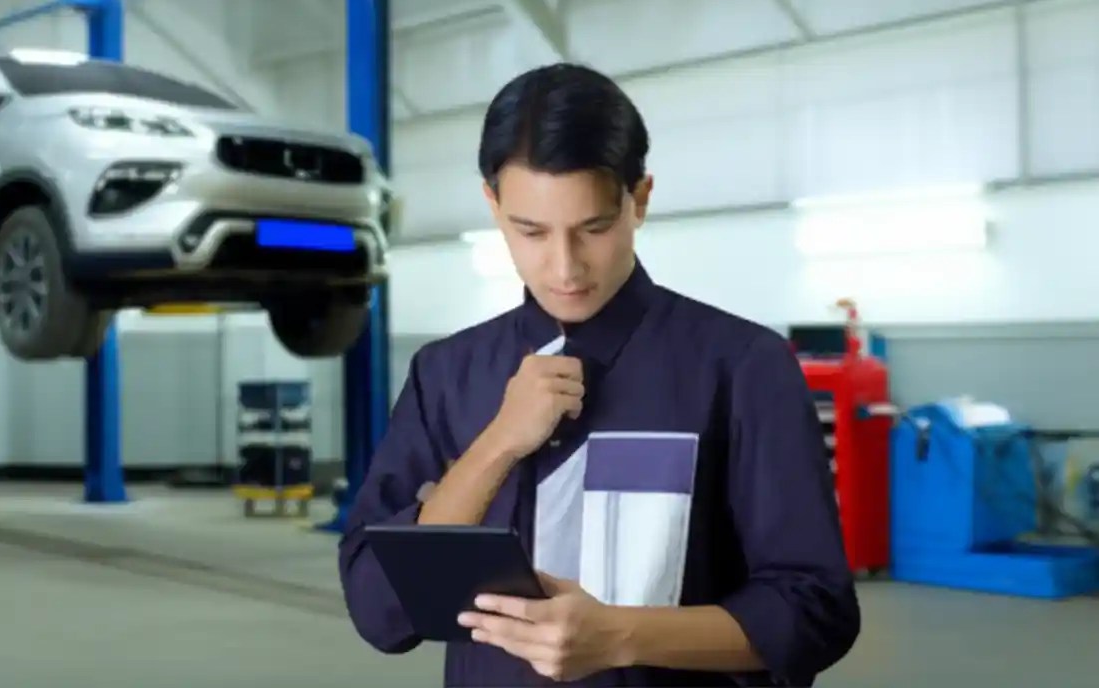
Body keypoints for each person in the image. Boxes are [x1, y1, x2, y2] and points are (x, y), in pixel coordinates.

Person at [337, 62, 861, 687]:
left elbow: (814, 609)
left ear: (638, 199)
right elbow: (378, 609)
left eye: (595, 228)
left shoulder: (740, 367)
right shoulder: (447, 374)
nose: (564, 267)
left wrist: (619, 635)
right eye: (530, 231)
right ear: (493, 204)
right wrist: (498, 443)